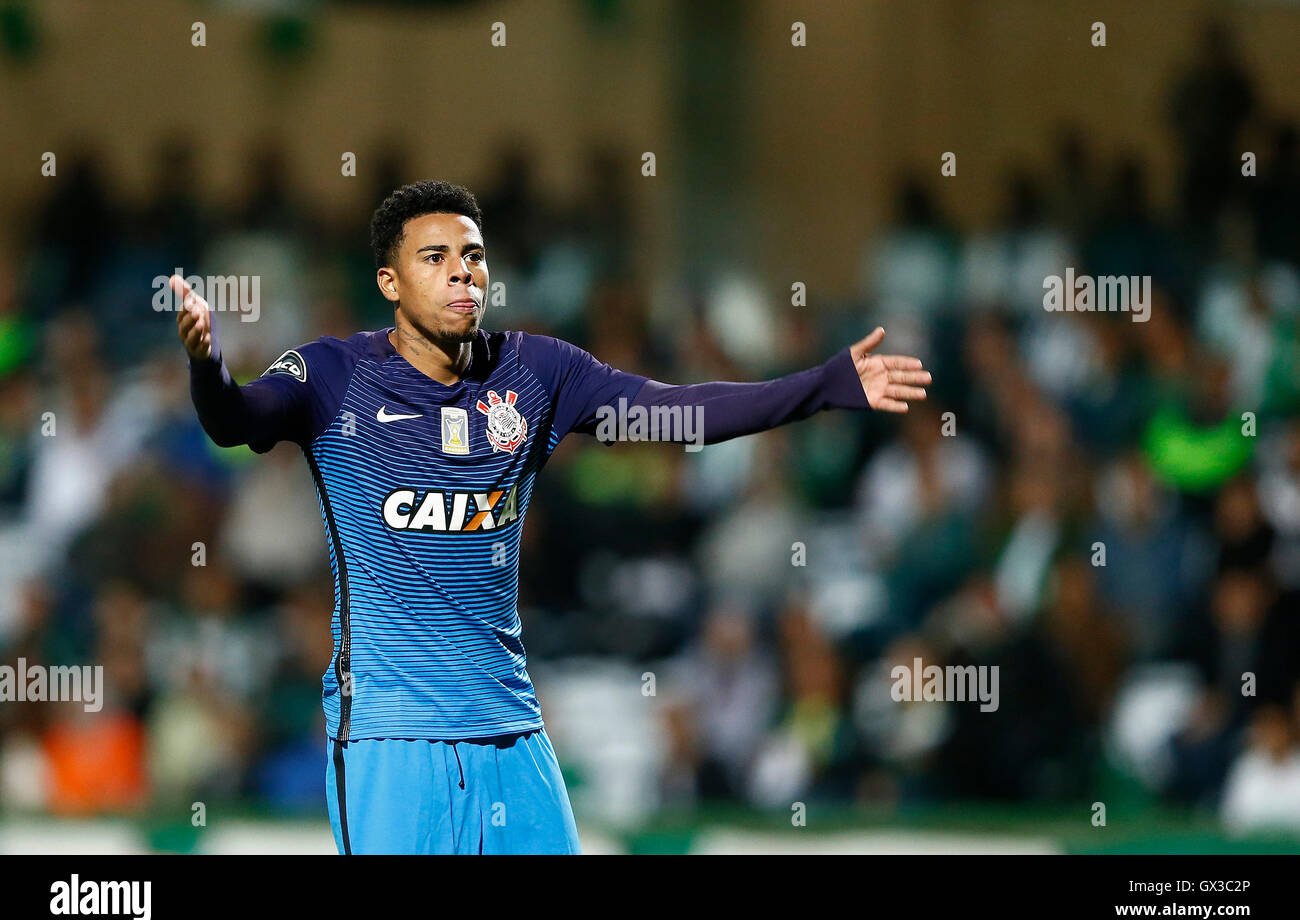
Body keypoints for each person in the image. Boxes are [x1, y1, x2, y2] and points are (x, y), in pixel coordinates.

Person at [176, 179, 932, 854]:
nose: (462, 272)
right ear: (391, 282)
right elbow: (236, 420)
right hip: (389, 733)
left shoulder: (535, 373)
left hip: (511, 730)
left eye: (472, 255)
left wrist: (822, 386)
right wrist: (209, 368)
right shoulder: (333, 375)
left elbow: (674, 415)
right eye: (434, 257)